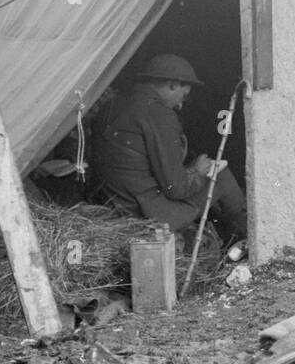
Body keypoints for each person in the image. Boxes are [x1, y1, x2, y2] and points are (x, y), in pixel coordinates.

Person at [97, 53, 247, 242]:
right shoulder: (159, 114)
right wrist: (198, 171)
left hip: (114, 203)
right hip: (145, 213)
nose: (181, 104)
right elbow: (176, 188)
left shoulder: (110, 107)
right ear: (172, 85)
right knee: (222, 176)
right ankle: (254, 236)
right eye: (183, 95)